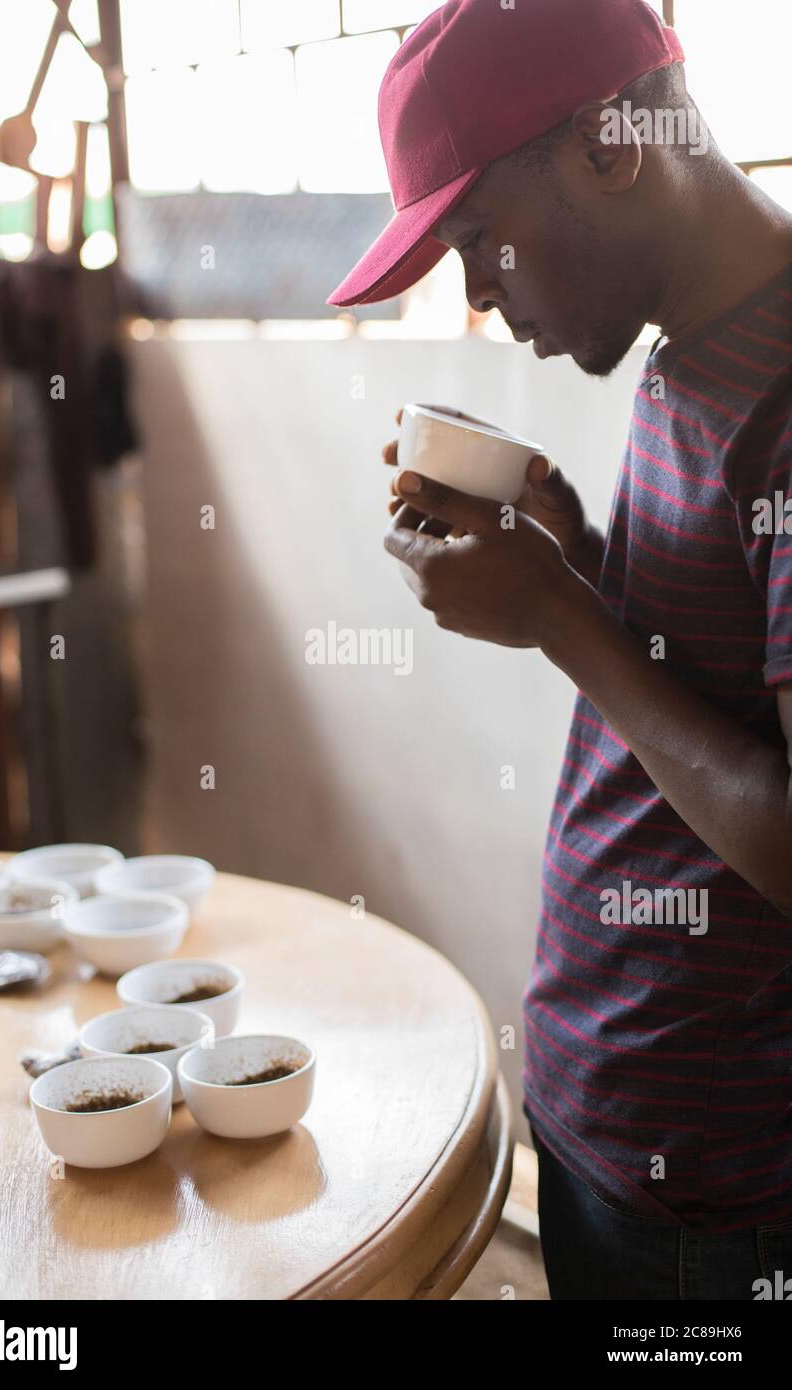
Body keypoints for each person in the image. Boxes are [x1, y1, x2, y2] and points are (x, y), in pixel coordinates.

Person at [328, 0, 792, 1300]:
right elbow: (714, 692)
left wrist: (554, 617)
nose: (477, 295)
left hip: (717, 1197)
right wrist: (576, 557)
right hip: (609, 1121)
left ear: (608, 145)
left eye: (478, 241)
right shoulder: (690, 355)